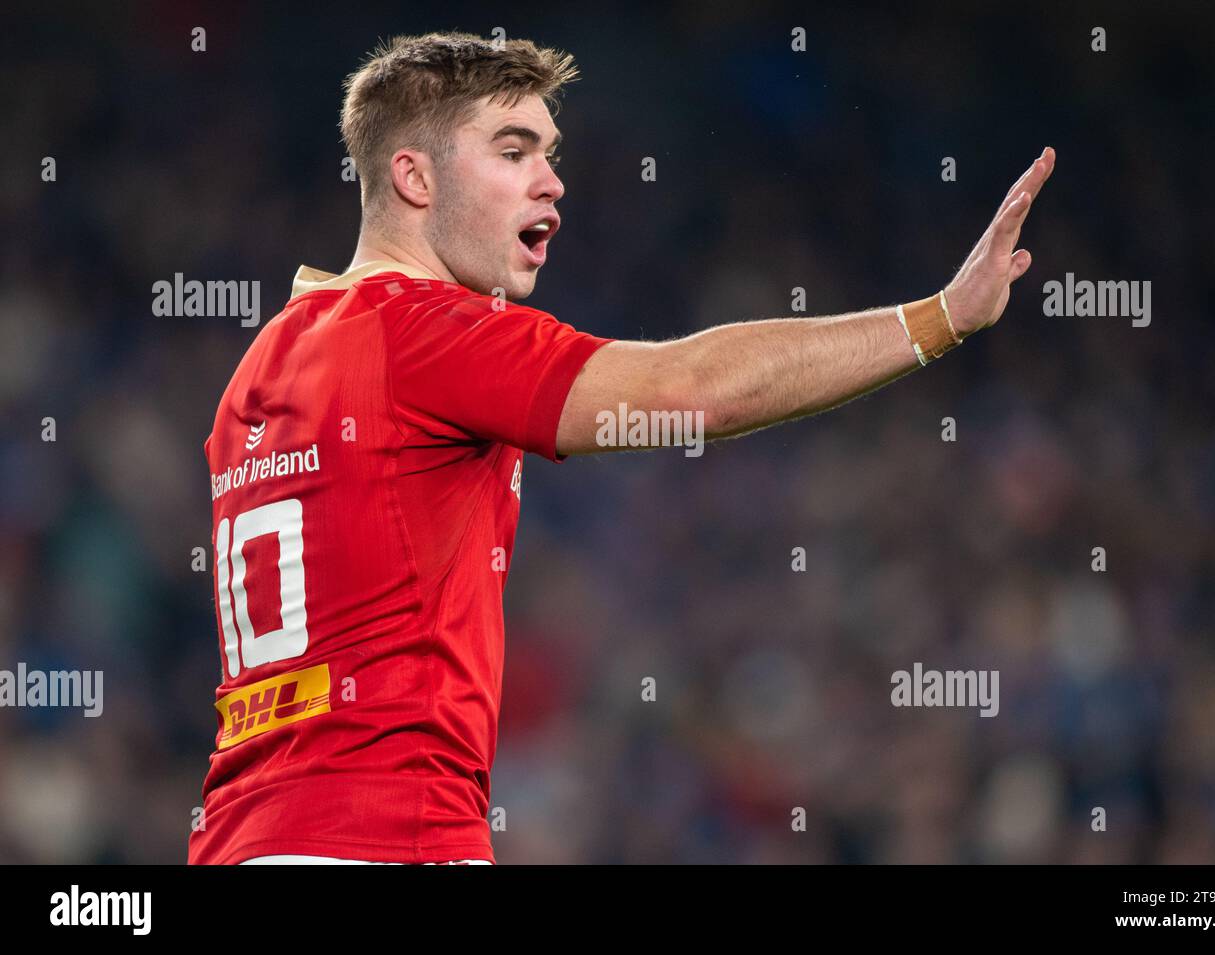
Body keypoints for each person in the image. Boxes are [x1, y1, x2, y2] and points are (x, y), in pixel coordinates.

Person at [188, 31, 1054, 865]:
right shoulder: (423, 333)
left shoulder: (262, 365)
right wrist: (939, 318)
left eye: (550, 153)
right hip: (387, 837)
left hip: (240, 839)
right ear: (413, 177)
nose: (552, 183)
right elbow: (693, 393)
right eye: (513, 151)